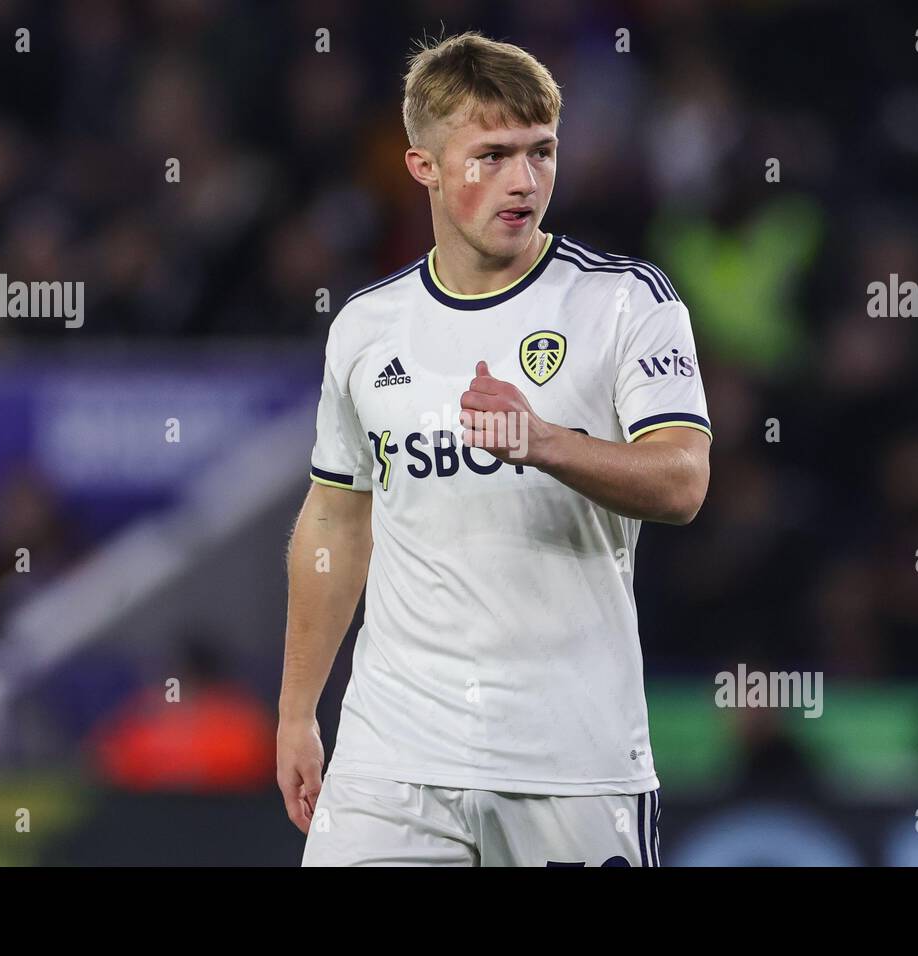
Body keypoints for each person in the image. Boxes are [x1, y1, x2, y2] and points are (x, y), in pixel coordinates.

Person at [278, 31, 711, 866]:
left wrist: (550, 444)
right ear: (424, 168)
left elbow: (684, 480)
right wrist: (299, 709)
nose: (525, 181)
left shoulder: (624, 303)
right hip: (391, 759)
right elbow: (335, 520)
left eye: (542, 152)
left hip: (570, 760)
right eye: (493, 156)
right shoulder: (369, 327)